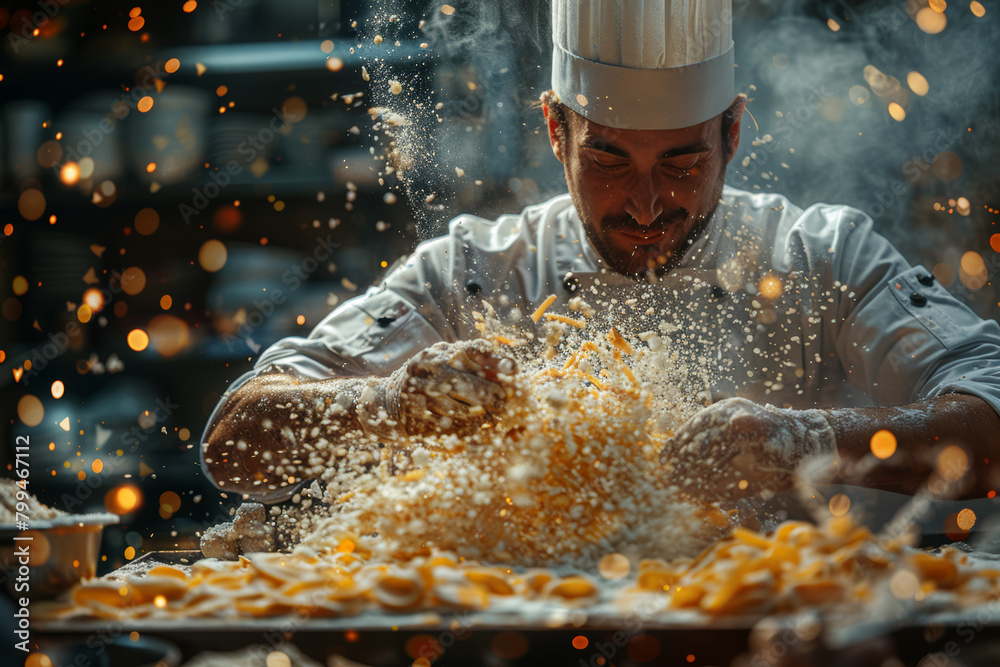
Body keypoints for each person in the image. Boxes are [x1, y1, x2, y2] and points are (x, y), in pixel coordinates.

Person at [201, 0, 1000, 505]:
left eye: (682, 161)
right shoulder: (475, 272)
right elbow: (232, 440)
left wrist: (807, 439)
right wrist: (387, 404)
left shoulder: (820, 255)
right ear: (557, 130)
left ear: (731, 132)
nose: (647, 205)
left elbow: (991, 413)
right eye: (609, 159)